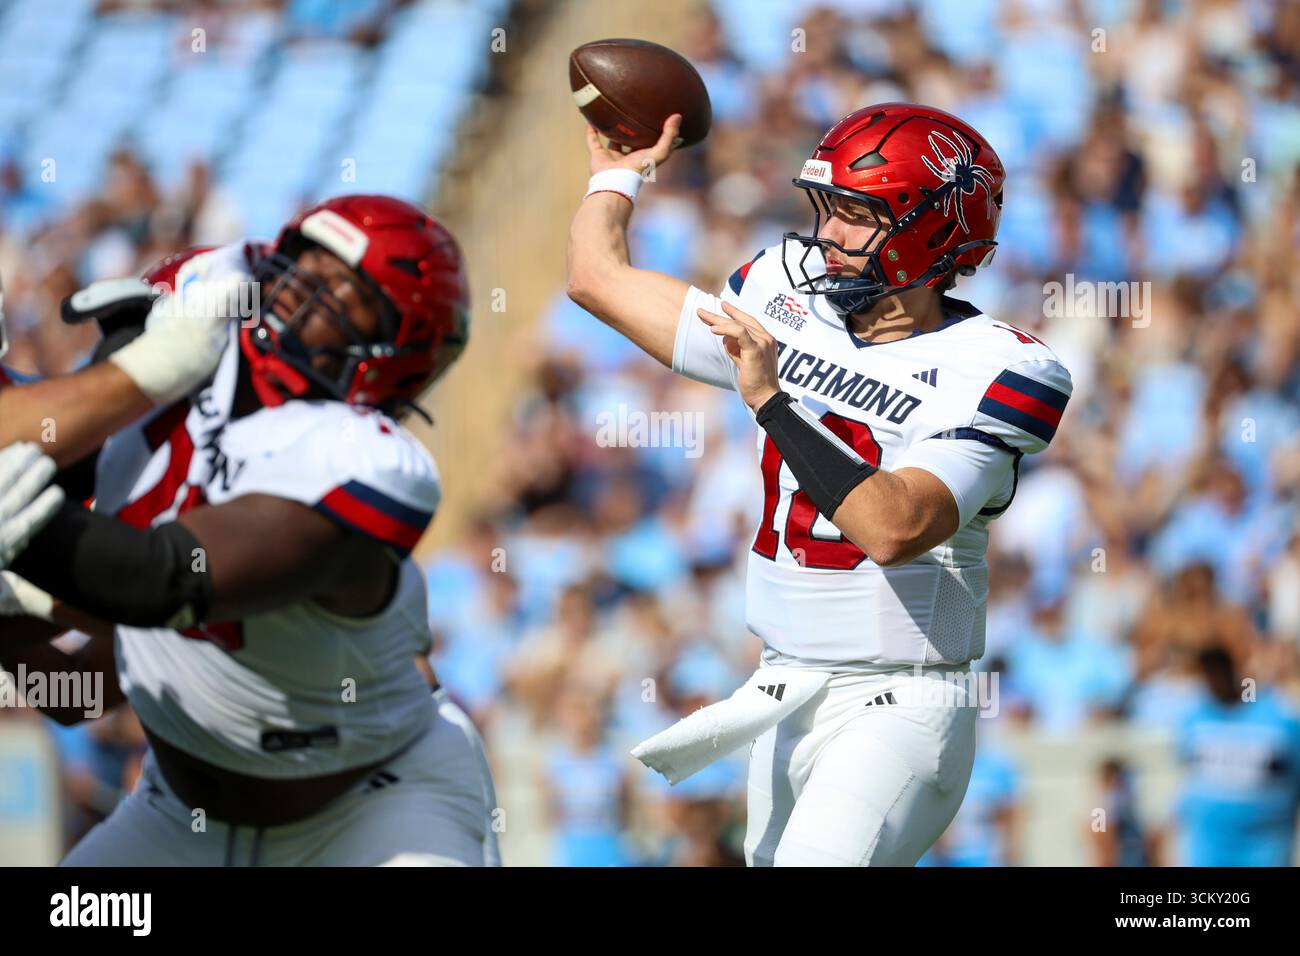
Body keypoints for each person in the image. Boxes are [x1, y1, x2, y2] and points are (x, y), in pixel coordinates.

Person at [567, 103, 1072, 865]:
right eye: (828, 210)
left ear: (930, 230)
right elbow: (596, 279)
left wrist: (771, 400)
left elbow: (894, 528)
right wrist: (619, 169)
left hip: (901, 701)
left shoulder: (997, 368)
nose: (828, 237)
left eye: (857, 216)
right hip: (783, 687)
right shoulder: (783, 297)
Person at [2, 194, 497, 866]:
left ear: (393, 350)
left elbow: (162, 579)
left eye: (342, 290)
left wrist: (23, 537)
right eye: (301, 269)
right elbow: (76, 693)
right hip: (184, 821)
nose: (302, 295)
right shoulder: (157, 444)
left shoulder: (360, 462)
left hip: (376, 809)